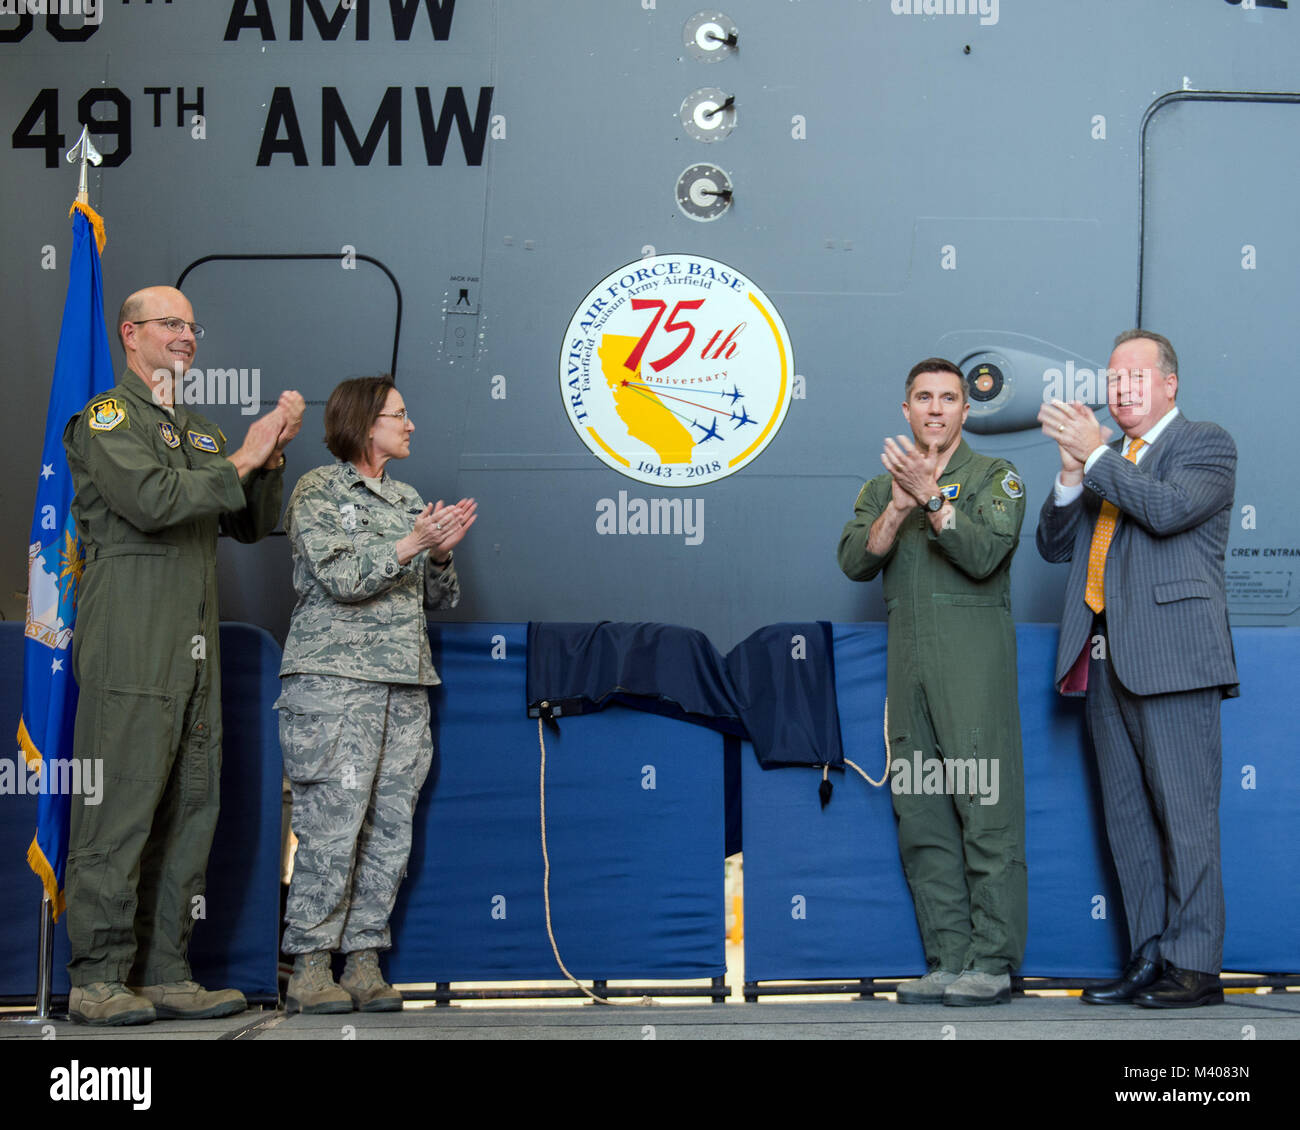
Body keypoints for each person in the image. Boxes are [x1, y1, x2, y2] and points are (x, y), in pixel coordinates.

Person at [63, 285, 305, 1025]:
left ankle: (165, 967)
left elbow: (246, 522)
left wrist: (269, 461)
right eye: (170, 323)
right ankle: (97, 976)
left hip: (196, 650)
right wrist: (244, 456)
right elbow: (154, 501)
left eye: (192, 325)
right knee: (121, 809)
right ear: (130, 335)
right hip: (132, 640)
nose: (186, 335)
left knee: (190, 807)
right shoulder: (107, 420)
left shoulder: (200, 432)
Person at [1037, 330, 1236, 1008]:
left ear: (1170, 384)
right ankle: (1150, 953)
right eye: (1114, 377)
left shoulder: (1205, 444)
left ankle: (1196, 966)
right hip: (1101, 657)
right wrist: (1071, 472)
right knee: (1127, 820)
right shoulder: (1105, 460)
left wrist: (1094, 453)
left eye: (1137, 376)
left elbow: (1168, 509)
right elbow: (1054, 545)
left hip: (1175, 659)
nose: (1121, 387)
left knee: (1186, 816)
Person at [277, 376, 476, 1014]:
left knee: (389, 830)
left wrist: (440, 556)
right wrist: (412, 543)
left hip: (404, 687)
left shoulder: (408, 497)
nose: (410, 424)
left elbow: (437, 600)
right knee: (331, 827)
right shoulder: (319, 491)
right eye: (399, 414)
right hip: (334, 687)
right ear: (367, 424)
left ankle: (363, 960)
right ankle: (309, 967)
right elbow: (339, 577)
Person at [837, 359, 1027, 1006]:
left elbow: (983, 553)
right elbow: (855, 560)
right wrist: (897, 506)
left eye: (949, 398)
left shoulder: (995, 477)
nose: (937, 408)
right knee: (921, 814)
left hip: (972, 675)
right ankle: (948, 959)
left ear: (966, 412)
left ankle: (994, 961)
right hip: (909, 673)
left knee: (986, 814)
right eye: (924, 397)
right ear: (907, 410)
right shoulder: (880, 485)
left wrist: (935, 498)